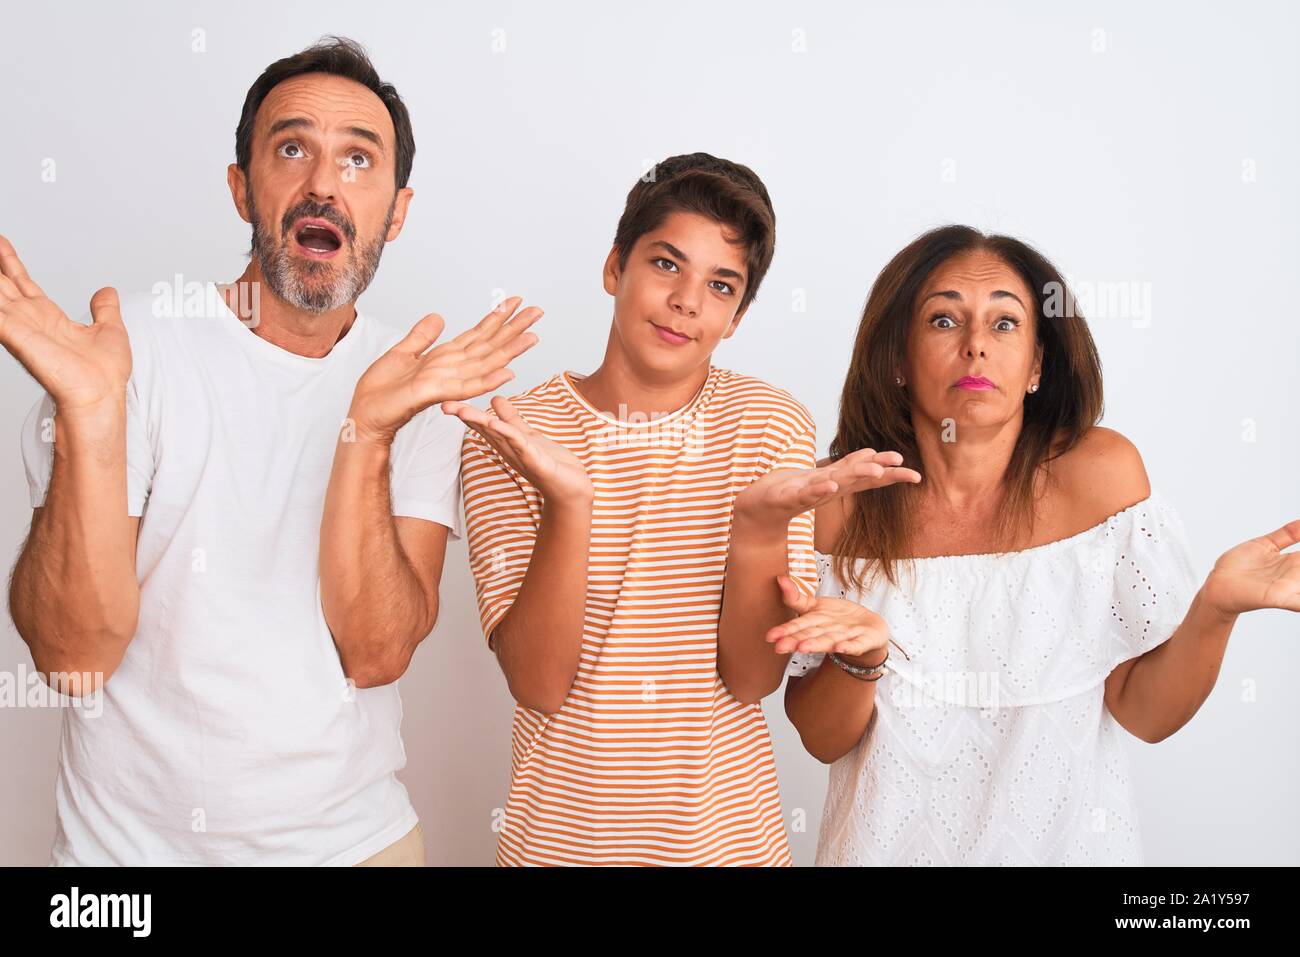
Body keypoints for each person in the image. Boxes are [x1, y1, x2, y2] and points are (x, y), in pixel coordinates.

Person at [1, 36, 537, 866]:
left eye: (359, 159)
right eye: (293, 148)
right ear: (242, 186)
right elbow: (72, 659)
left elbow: (376, 652)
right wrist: (92, 424)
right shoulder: (122, 351)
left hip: (353, 848)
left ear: (397, 209)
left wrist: (367, 428)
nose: (324, 182)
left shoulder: (416, 390)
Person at [775, 225, 1300, 865]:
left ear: (1037, 364)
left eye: (1004, 324)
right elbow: (824, 741)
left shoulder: (1100, 476)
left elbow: (1147, 715)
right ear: (897, 360)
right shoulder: (839, 502)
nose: (975, 347)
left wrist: (1216, 609)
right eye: (944, 321)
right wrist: (862, 660)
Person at [449, 152, 916, 865]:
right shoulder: (515, 432)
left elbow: (752, 680)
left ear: (737, 315)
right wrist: (569, 505)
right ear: (615, 268)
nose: (687, 301)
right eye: (667, 264)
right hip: (559, 846)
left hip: (727, 847)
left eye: (720, 284)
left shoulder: (768, 422)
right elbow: (538, 685)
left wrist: (757, 530)